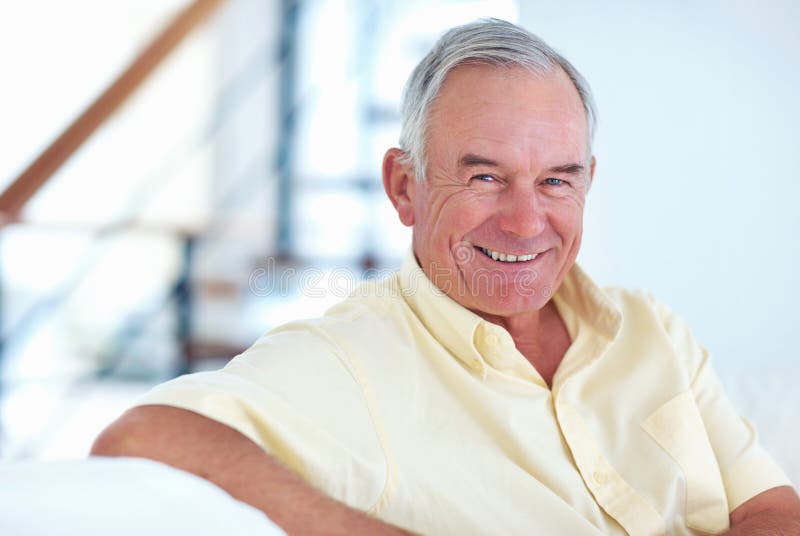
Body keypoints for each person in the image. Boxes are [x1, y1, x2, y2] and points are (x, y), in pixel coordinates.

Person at [92, 19, 799, 535]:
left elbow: (769, 507)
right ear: (405, 187)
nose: (526, 223)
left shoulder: (649, 327)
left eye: (557, 180)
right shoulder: (354, 361)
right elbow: (140, 435)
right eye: (485, 177)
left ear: (589, 182)